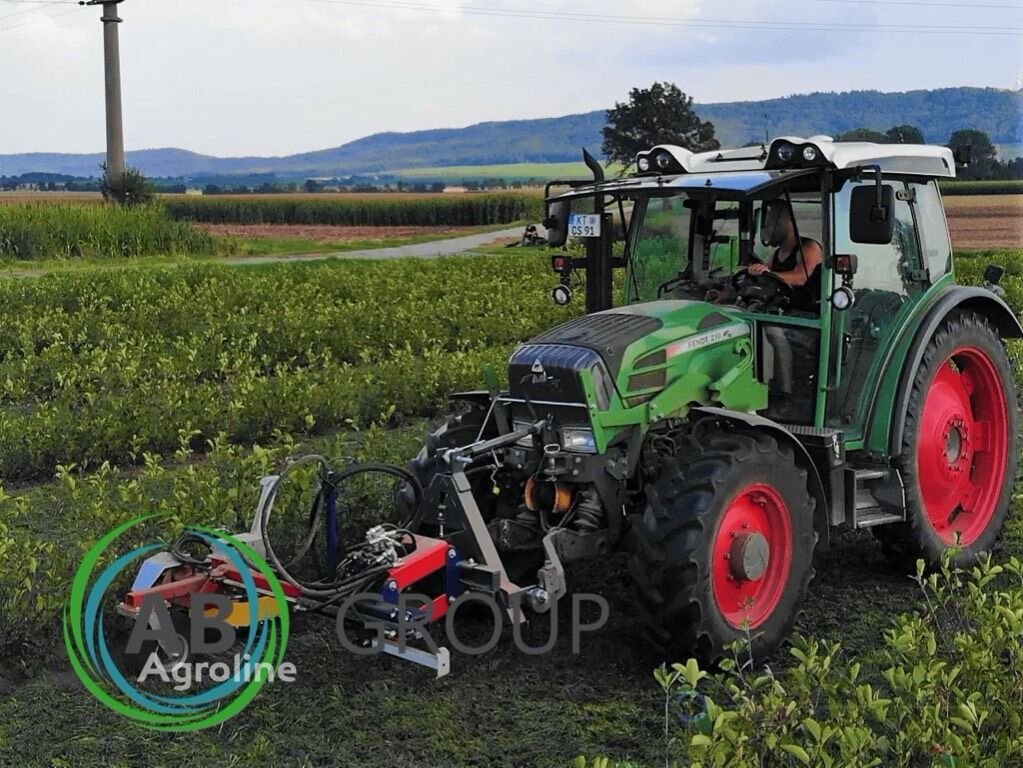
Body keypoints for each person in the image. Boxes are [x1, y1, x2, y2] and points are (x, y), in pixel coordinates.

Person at [747, 200, 823, 310]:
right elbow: (766, 277)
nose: (766, 229)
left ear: (787, 222)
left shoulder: (809, 248)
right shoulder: (777, 253)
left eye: (770, 223)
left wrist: (768, 274)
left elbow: (800, 278)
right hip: (782, 309)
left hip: (806, 314)